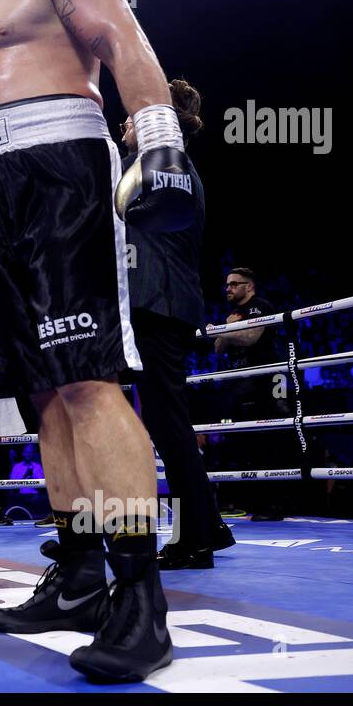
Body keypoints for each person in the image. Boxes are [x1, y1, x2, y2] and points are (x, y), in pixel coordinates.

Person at [0, 0, 183, 680]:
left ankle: (140, 595)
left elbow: (124, 41)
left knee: (84, 381)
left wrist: (161, 140)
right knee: (38, 393)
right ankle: (78, 576)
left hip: (59, 169)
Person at [119, 81, 236, 569]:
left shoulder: (163, 163)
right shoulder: (166, 163)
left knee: (169, 425)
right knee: (167, 424)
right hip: (160, 303)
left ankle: (196, 539)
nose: (124, 122)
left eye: (131, 115)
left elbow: (130, 226)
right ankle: (208, 526)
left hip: (157, 303)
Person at [212, 266, 289, 521]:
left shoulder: (260, 306)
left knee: (266, 442)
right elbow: (218, 348)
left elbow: (250, 338)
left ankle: (274, 506)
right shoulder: (233, 313)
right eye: (227, 284)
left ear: (249, 286)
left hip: (262, 381)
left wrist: (225, 329)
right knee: (244, 444)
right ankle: (255, 503)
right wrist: (227, 329)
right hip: (239, 381)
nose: (229, 288)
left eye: (234, 284)